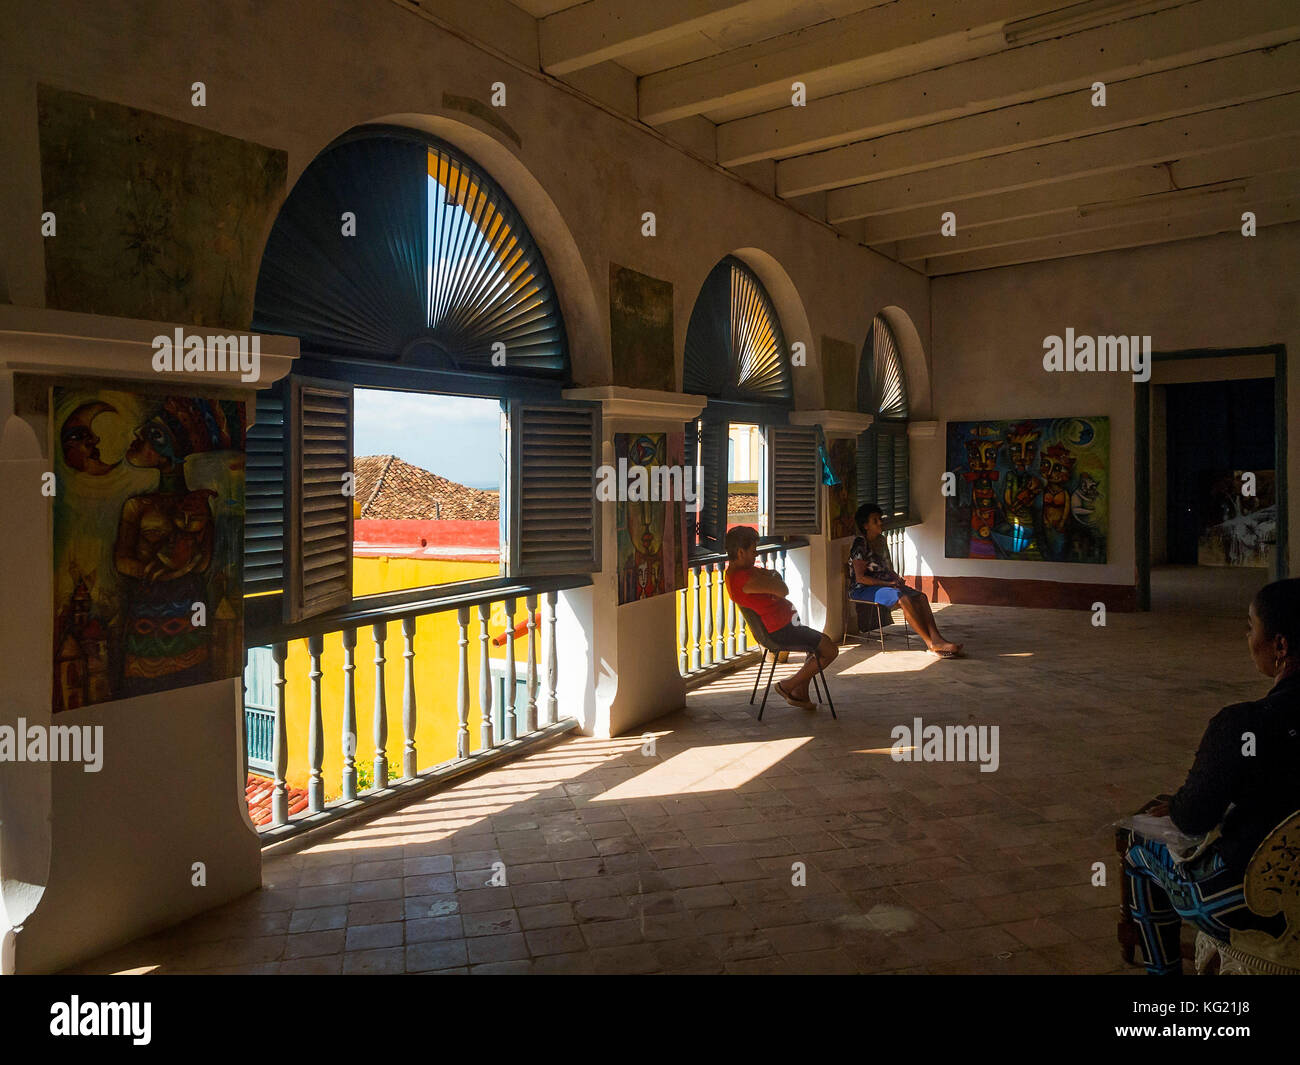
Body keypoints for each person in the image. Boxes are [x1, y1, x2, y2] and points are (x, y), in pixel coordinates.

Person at [1117, 578, 1300, 974]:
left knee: (1138, 843)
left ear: (1280, 646)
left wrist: (1178, 807)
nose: (1248, 637)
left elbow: (1193, 817)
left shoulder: (1243, 724)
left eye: (1251, 627)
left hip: (1255, 902)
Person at [724, 525, 837, 712]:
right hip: (780, 631)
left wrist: (773, 581)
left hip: (786, 626)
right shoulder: (744, 579)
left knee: (816, 649)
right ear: (740, 552)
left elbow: (774, 577)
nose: (756, 556)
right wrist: (774, 583)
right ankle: (788, 686)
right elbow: (783, 589)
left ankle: (799, 692)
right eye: (753, 551)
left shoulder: (742, 572)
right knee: (830, 650)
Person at [849, 503, 962, 657]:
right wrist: (887, 584)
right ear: (865, 525)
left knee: (921, 597)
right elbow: (861, 578)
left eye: (879, 519)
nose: (880, 523)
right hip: (863, 589)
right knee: (903, 599)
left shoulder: (881, 541)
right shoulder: (859, 545)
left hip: (886, 585)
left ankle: (937, 638)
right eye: (875, 521)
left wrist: (896, 578)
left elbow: (887, 568)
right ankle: (930, 643)